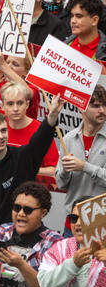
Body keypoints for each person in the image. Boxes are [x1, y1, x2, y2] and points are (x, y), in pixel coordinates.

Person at [0, 107, 59, 231]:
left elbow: (40, 140)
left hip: (24, 233)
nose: (0, 136)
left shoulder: (22, 156)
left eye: (3, 130)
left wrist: (53, 115)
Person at [56, 85, 106, 219]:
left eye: (104, 105)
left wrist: (85, 167)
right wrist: (65, 172)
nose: (102, 110)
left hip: (101, 220)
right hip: (73, 219)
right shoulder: (68, 139)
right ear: (81, 107)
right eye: (96, 106)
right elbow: (61, 184)